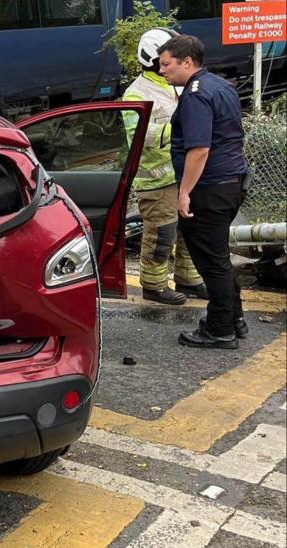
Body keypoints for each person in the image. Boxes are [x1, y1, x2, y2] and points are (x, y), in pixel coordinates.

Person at [158, 34, 250, 349]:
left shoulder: (196, 94)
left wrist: (184, 193)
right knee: (218, 257)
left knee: (212, 262)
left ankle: (220, 329)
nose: (162, 71)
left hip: (208, 189)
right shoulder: (221, 85)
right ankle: (233, 319)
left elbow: (199, 149)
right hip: (232, 184)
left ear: (187, 62)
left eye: (166, 64)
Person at [122, 28, 206, 305]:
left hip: (185, 175)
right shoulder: (135, 94)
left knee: (189, 230)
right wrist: (184, 128)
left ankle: (188, 279)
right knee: (161, 234)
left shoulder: (178, 83)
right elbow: (140, 135)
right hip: (158, 180)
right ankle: (154, 285)